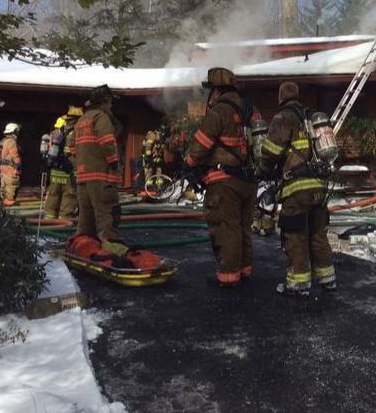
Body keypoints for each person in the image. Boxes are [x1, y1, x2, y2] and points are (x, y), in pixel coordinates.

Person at [184, 67, 261, 288]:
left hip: (224, 180)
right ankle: (245, 270)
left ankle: (228, 275)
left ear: (216, 90)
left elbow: (201, 144)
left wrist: (188, 163)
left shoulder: (219, 111)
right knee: (243, 226)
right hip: (249, 180)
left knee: (227, 228)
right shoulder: (251, 110)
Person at [260, 81, 336, 296]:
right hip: (319, 187)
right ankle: (327, 278)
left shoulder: (283, 117)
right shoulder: (310, 116)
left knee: (295, 235)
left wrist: (263, 169)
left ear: (280, 97)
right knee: (318, 233)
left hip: (297, 187)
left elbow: (270, 151)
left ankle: (299, 282)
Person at [74, 85, 126, 254]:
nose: (111, 106)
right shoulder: (101, 117)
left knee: (86, 217)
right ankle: (111, 250)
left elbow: (74, 150)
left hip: (83, 177)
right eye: (110, 103)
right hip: (101, 176)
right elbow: (107, 143)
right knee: (107, 213)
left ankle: (83, 247)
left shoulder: (81, 121)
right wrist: (114, 164)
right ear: (104, 102)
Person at [44, 106, 82, 219]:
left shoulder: (58, 132)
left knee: (53, 197)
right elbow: (79, 153)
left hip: (56, 171)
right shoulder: (77, 134)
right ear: (77, 120)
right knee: (69, 198)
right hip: (70, 173)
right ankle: (64, 223)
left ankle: (49, 221)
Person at [0, 123, 22, 206]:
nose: (18, 133)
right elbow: (14, 154)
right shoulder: (11, 141)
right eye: (17, 132)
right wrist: (18, 163)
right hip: (10, 167)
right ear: (14, 132)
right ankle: (9, 202)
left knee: (4, 184)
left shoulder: (4, 140)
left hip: (3, 167)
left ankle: (4, 200)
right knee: (12, 184)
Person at [141, 123, 168, 190]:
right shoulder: (152, 135)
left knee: (159, 169)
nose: (163, 134)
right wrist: (148, 157)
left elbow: (161, 147)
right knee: (149, 170)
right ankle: (148, 187)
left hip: (155, 157)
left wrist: (159, 154)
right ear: (160, 131)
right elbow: (148, 146)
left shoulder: (162, 138)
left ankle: (159, 186)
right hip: (147, 156)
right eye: (162, 132)